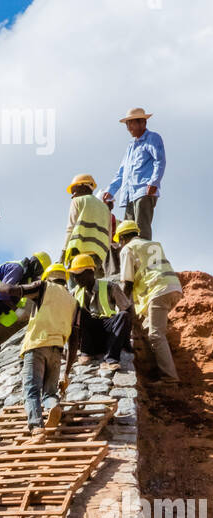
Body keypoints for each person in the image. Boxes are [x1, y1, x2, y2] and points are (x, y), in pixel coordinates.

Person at [11, 263, 77, 433]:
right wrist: (67, 373)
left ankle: (36, 427)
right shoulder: (73, 300)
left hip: (36, 346)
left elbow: (11, 289)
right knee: (49, 392)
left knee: (31, 389)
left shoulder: (43, 287)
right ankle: (53, 405)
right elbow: (75, 340)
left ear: (47, 277)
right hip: (57, 349)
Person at [115, 220, 183, 383]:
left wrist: (121, 307)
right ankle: (153, 369)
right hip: (173, 287)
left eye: (120, 240)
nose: (120, 243)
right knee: (146, 327)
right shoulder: (153, 244)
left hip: (157, 290)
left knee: (156, 334)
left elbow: (127, 282)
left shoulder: (128, 249)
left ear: (123, 237)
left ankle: (170, 378)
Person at [102, 108, 166, 241]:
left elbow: (159, 161)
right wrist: (111, 191)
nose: (129, 127)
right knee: (128, 230)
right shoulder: (131, 146)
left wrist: (154, 182)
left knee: (141, 230)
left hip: (144, 191)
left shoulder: (152, 138)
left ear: (143, 123)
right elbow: (122, 172)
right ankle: (131, 260)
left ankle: (143, 258)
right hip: (129, 195)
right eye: (127, 124)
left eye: (131, 123)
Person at [68, 255, 132, 372]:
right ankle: (86, 352)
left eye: (78, 275)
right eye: (73, 275)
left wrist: (126, 342)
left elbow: (128, 310)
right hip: (89, 338)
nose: (75, 279)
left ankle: (110, 359)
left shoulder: (110, 287)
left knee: (123, 315)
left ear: (90, 272)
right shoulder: (74, 293)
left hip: (109, 334)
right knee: (79, 312)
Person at [62, 175, 112, 270]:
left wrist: (63, 252)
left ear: (83, 186)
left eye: (74, 190)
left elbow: (70, 228)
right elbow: (109, 235)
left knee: (76, 283)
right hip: (99, 255)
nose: (73, 195)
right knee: (94, 283)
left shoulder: (77, 201)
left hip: (79, 250)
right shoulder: (106, 209)